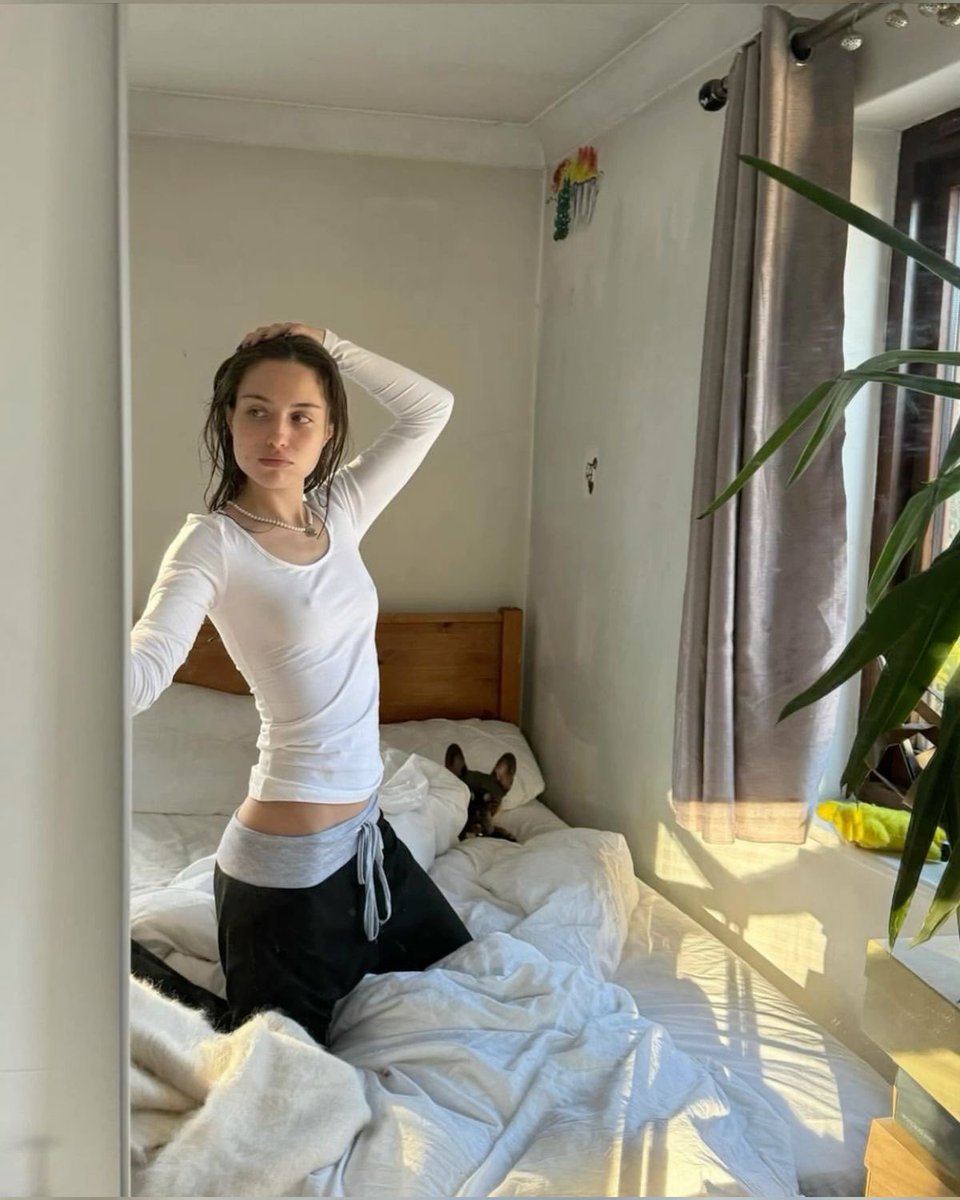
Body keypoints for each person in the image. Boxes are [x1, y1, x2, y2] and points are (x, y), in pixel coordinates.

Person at [130, 321, 472, 1045]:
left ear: (328, 430)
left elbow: (430, 409)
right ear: (228, 421)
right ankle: (123, 967)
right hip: (286, 873)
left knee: (463, 972)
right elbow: (149, 664)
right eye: (256, 411)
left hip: (369, 842)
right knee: (268, 1059)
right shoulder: (211, 544)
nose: (277, 435)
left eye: (300, 416)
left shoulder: (339, 513)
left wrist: (329, 343)